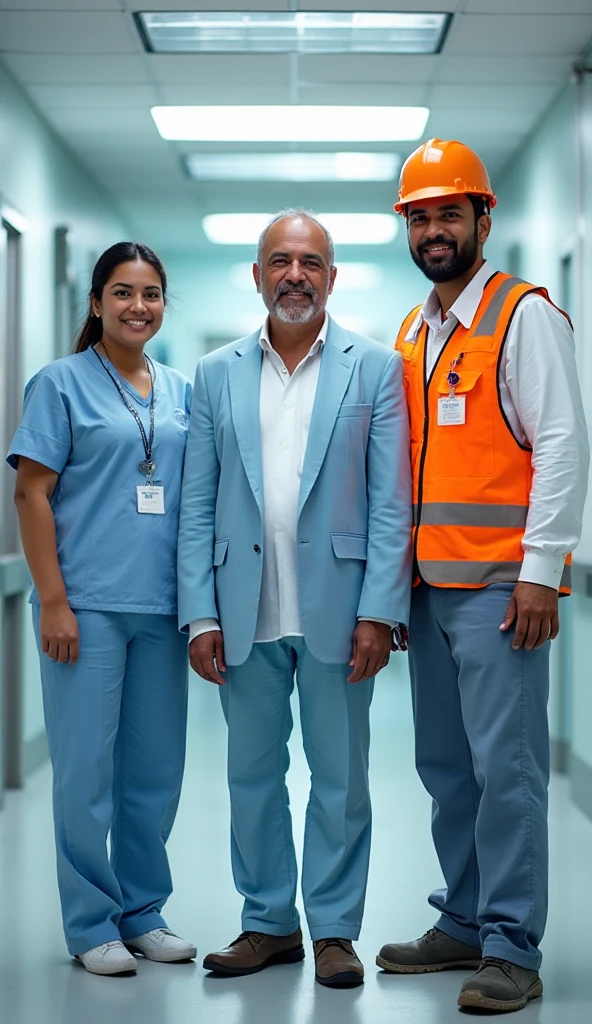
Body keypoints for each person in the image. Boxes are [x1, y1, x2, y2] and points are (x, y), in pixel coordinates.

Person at [376, 139, 590, 1013]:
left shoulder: (521, 315)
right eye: (419, 217)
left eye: (448, 213)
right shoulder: (415, 331)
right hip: (429, 591)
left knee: (506, 771)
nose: (433, 230)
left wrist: (542, 571)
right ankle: (462, 918)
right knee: (446, 768)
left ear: (481, 219)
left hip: (502, 593)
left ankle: (511, 946)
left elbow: (562, 444)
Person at [177, 209, 412, 988]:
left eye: (311, 262)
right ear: (257, 275)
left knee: (340, 778)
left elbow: (389, 503)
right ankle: (268, 923)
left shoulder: (373, 368)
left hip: (340, 613)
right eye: (280, 260)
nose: (295, 275)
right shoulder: (216, 374)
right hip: (241, 611)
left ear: (332, 277)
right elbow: (198, 504)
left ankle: (336, 930)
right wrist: (200, 614)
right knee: (251, 776)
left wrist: (381, 610)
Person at [7, 242, 196, 976]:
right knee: (85, 772)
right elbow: (30, 494)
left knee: (155, 772)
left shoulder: (180, 390)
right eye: (122, 292)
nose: (137, 306)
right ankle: (91, 924)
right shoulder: (58, 385)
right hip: (83, 606)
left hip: (161, 607)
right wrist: (52, 600)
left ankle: (143, 912)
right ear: (95, 303)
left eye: (151, 294)